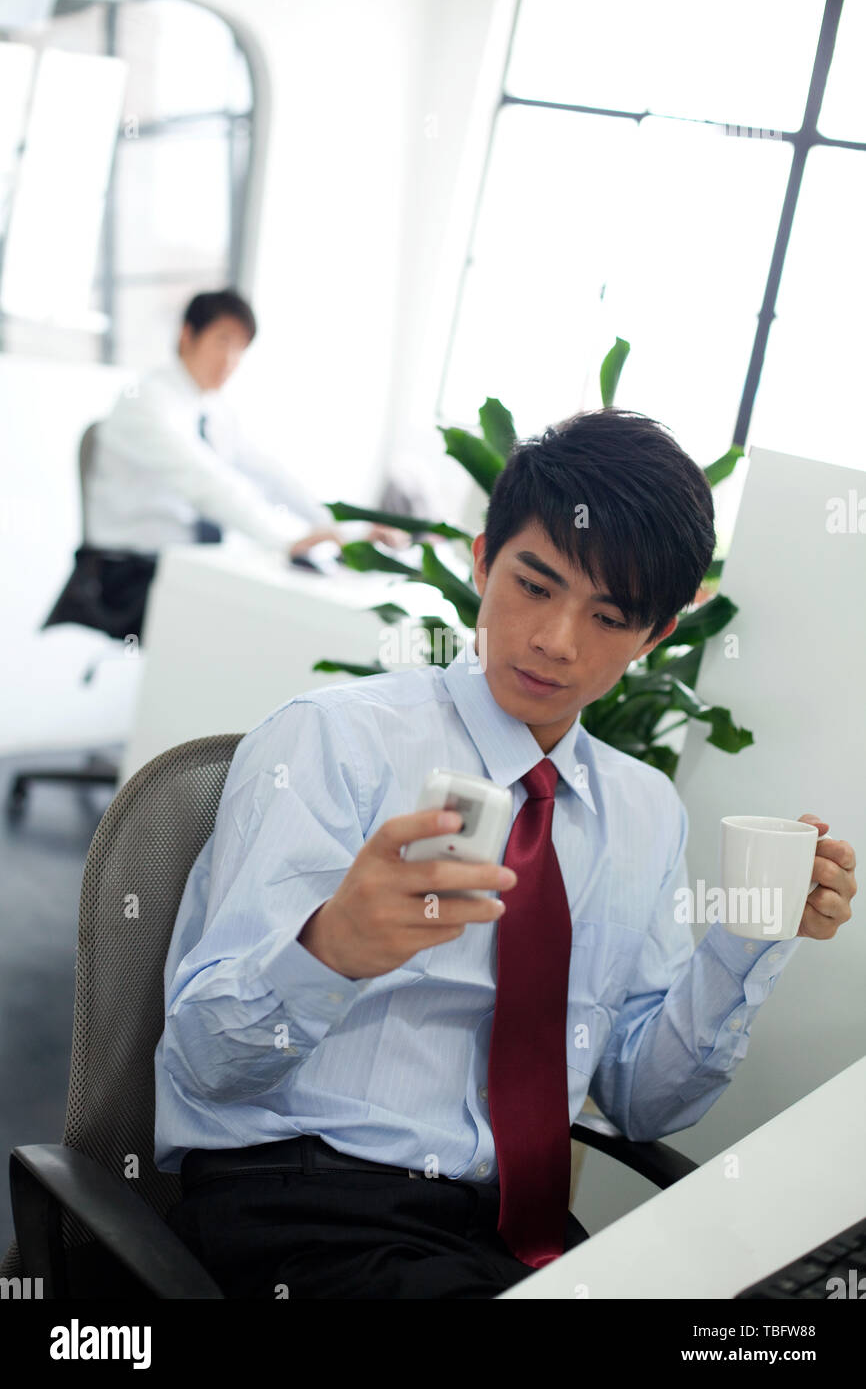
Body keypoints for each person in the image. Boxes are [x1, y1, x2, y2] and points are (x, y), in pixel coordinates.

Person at [154, 408, 857, 1300]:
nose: (557, 641)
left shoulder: (642, 811)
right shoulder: (334, 745)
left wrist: (749, 941)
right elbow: (206, 1066)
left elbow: (643, 1101)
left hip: (511, 1236)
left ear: (658, 637)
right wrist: (328, 949)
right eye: (534, 585)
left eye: (609, 616)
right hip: (311, 1205)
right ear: (484, 560)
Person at [44, 288, 406, 640]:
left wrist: (344, 530)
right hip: (126, 576)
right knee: (258, 621)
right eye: (223, 341)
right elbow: (209, 484)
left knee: (270, 603)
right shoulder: (146, 404)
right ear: (188, 335)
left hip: (180, 567)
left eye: (241, 349)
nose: (232, 360)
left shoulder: (212, 411)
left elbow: (270, 476)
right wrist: (287, 540)